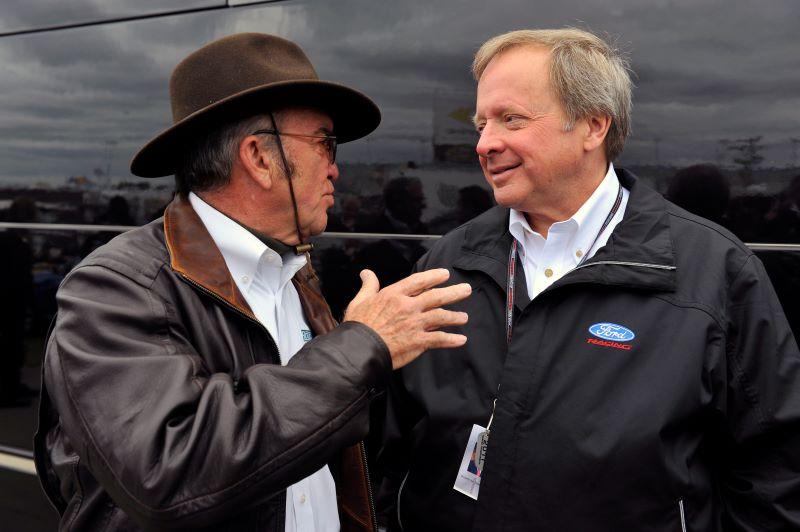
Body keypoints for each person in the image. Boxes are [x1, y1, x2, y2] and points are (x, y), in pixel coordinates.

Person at [34, 33, 471, 531]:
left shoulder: (295, 272)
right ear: (259, 158)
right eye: (325, 142)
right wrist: (363, 345)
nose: (335, 170)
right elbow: (167, 472)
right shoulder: (117, 287)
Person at [378, 28, 800, 531]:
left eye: (510, 119)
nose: (485, 143)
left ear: (593, 126)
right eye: (481, 123)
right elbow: (395, 441)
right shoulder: (449, 261)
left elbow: (775, 470)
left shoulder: (713, 271)